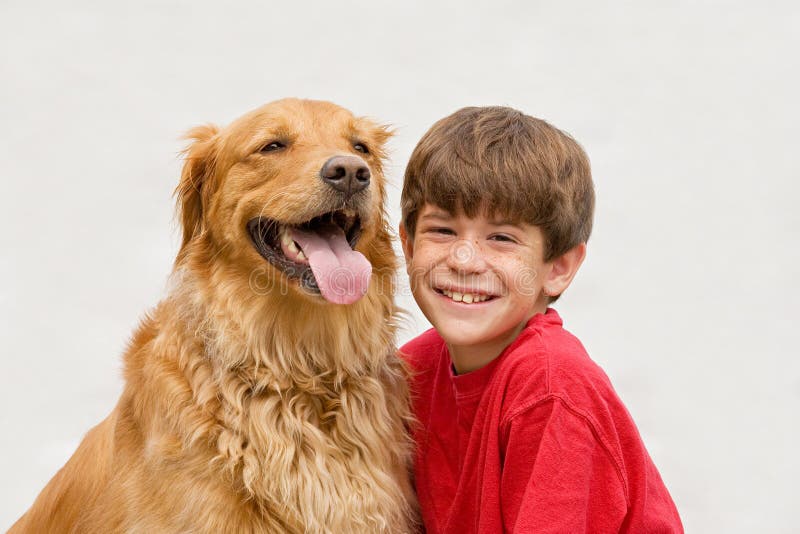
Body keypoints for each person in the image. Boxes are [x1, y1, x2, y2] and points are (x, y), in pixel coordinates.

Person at [398, 106, 683, 533]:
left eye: (501, 238)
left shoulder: (551, 387)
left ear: (559, 267)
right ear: (407, 244)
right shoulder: (412, 370)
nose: (464, 259)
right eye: (442, 230)